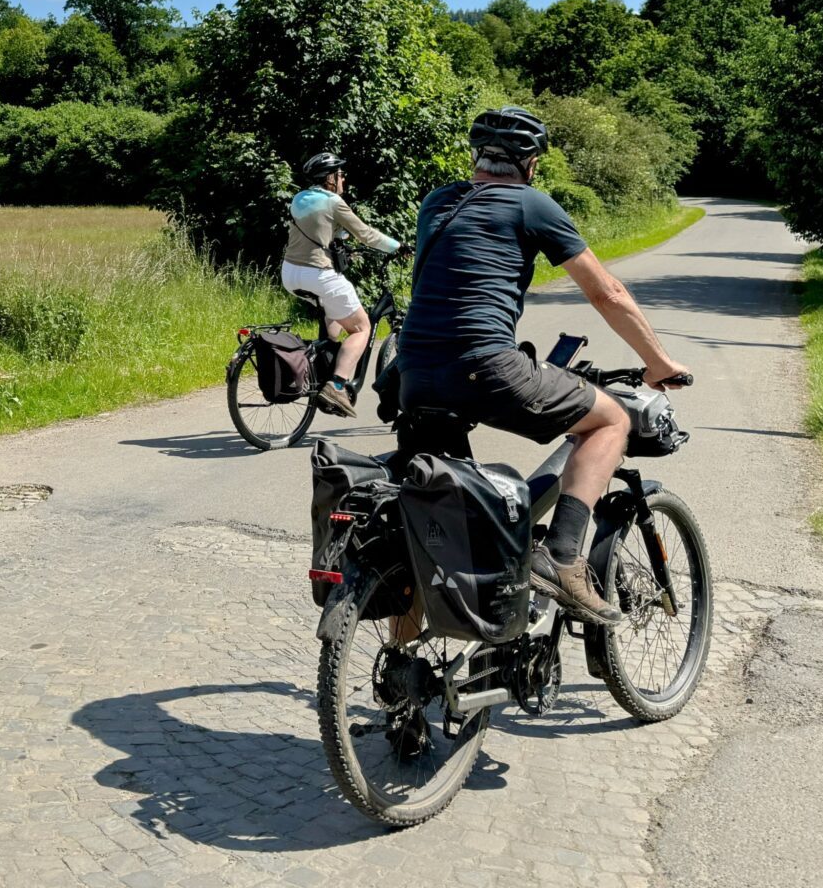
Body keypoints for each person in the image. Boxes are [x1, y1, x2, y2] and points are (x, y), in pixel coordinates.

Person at [394, 107, 692, 626]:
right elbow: (607, 292)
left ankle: (403, 674)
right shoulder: (533, 205)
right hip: (485, 365)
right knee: (611, 419)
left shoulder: (436, 203)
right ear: (530, 163)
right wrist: (658, 362)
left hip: (414, 373)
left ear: (476, 156)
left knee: (433, 529)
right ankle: (562, 558)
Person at [281, 152, 403, 417]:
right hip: (318, 274)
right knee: (361, 328)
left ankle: (323, 364)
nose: (343, 178)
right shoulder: (334, 202)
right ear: (330, 179)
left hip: (290, 274)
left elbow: (325, 229)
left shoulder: (300, 199)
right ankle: (336, 385)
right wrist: (398, 247)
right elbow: (366, 234)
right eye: (340, 174)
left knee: (332, 318)